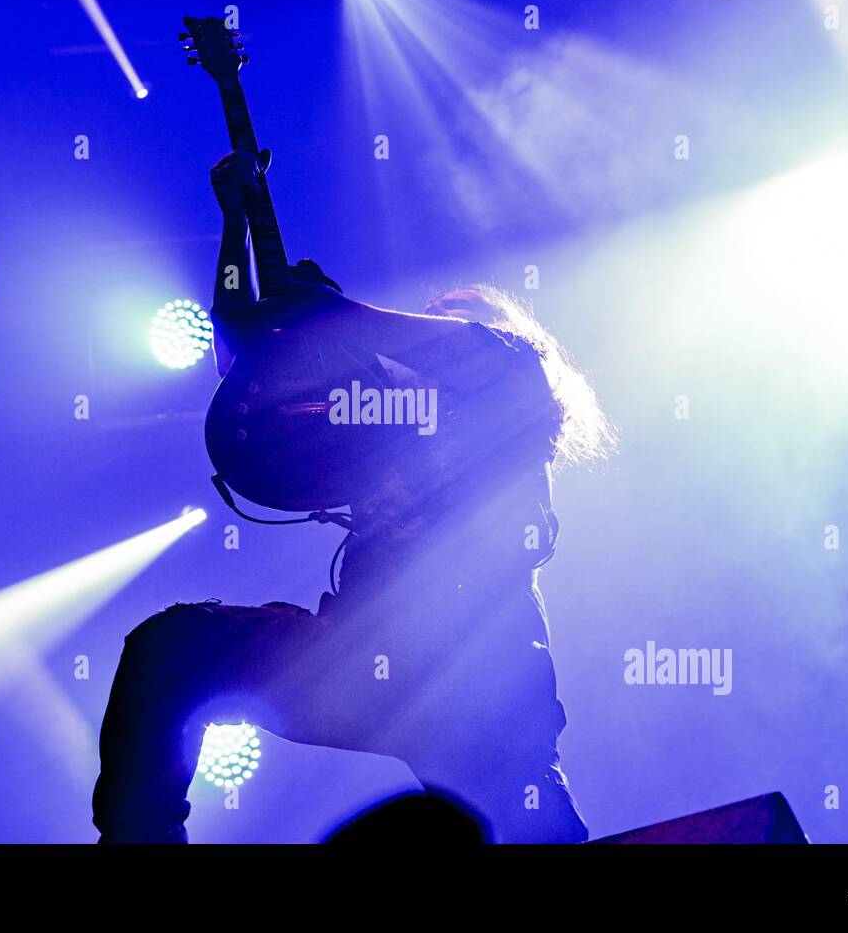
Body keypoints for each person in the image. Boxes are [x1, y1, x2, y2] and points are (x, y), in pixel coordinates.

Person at [91, 150, 615, 843]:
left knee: (517, 808)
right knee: (169, 651)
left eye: (449, 325)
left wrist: (343, 316)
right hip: (367, 655)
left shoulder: (515, 395)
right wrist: (235, 226)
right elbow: (244, 361)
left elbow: (487, 359)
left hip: (480, 677)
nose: (426, 332)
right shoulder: (380, 423)